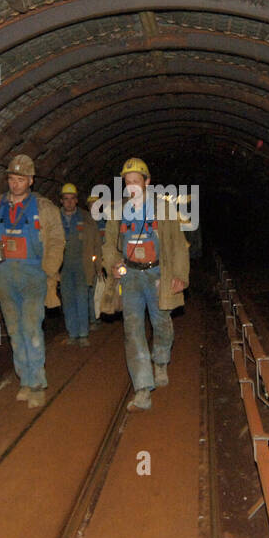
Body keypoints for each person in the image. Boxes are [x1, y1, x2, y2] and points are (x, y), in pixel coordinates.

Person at [99, 158, 190, 410]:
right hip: (130, 277)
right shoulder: (117, 211)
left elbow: (179, 246)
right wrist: (113, 264)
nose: (131, 187)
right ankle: (142, 388)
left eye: (136, 182)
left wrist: (180, 275)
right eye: (127, 183)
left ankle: (160, 361)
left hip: (158, 274)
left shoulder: (164, 210)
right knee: (132, 331)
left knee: (162, 324)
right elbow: (108, 246)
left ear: (147, 182)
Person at [0, 154, 64, 408]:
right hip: (4, 274)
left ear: (31, 180)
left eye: (20, 179)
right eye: (11, 179)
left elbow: (58, 241)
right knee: (15, 331)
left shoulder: (44, 208)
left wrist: (48, 270)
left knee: (31, 328)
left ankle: (37, 383)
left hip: (33, 275)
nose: (14, 184)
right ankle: (25, 380)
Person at [57, 182, 97, 347]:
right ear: (61, 200)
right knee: (67, 300)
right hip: (63, 265)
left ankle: (83, 334)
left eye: (72, 198)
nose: (69, 202)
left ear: (76, 200)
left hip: (82, 263)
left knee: (81, 297)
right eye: (66, 199)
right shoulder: (53, 217)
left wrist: (97, 264)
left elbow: (96, 242)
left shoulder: (85, 217)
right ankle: (72, 333)